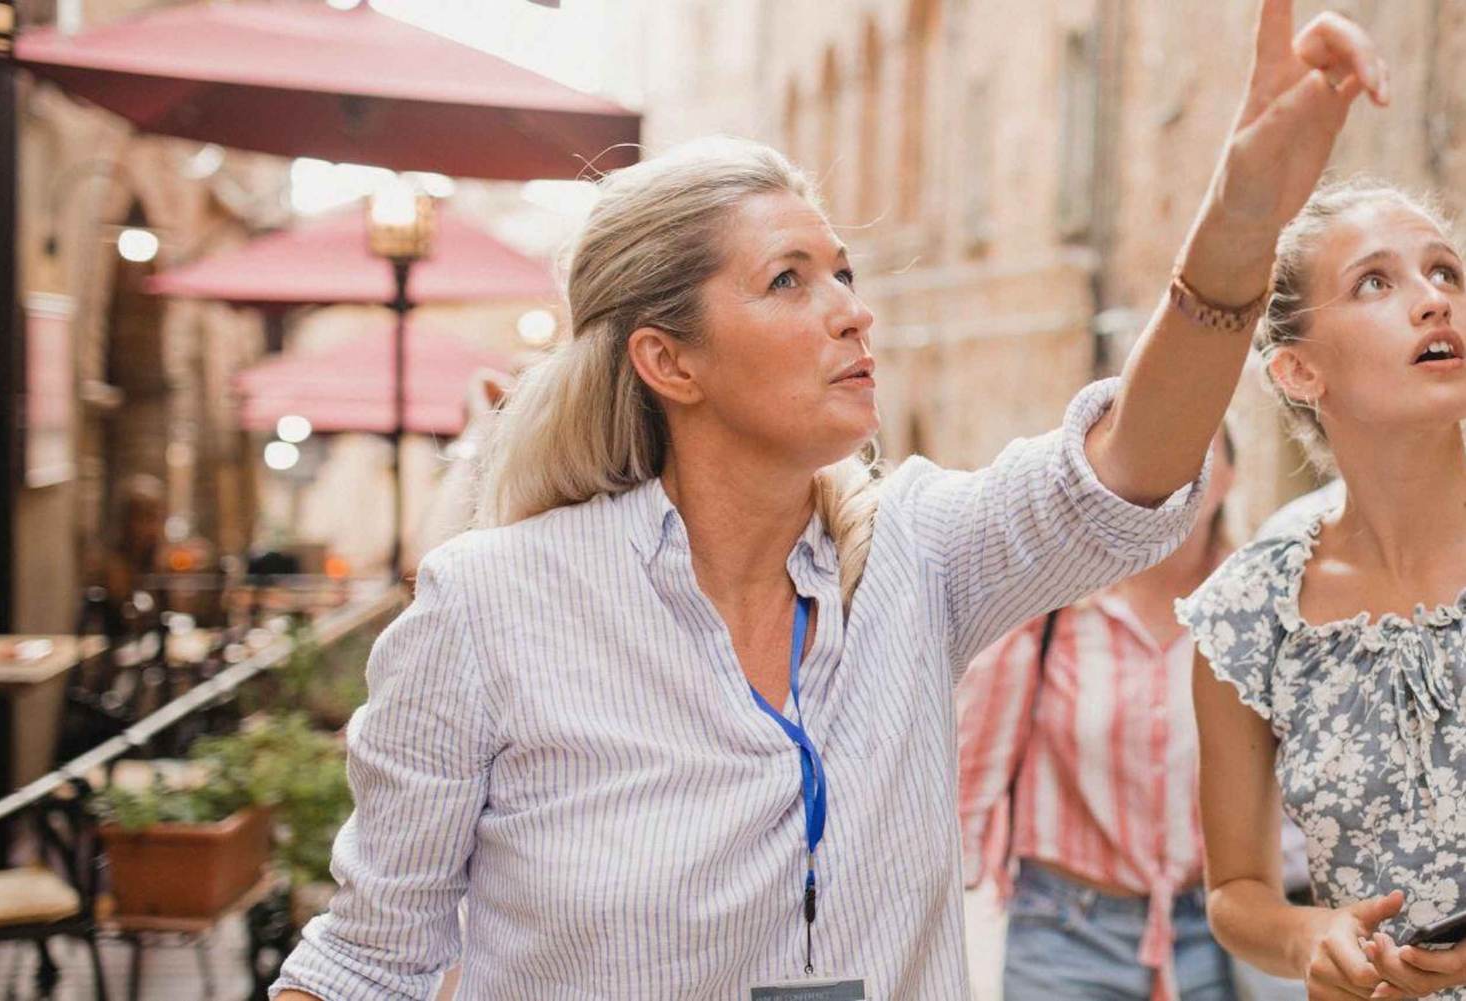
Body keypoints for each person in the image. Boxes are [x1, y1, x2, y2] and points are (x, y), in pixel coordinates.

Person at [272, 4, 1387, 995]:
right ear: (670, 362)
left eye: (843, 271)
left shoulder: (916, 555)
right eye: (788, 281)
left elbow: (1128, 470)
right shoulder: (494, 605)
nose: (851, 310)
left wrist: (1240, 223)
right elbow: (368, 961)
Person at [1178, 176, 1466, 1001]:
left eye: (1444, 272)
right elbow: (1235, 891)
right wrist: (1310, 933)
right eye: (1376, 281)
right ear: (1300, 370)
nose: (1432, 301)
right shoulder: (1249, 610)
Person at [956, 430, 1238, 1001]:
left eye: (1202, 449)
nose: (1180, 468)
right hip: (1064, 936)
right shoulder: (1050, 606)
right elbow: (970, 771)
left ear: (1230, 477)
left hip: (1213, 934)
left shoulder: (1252, 606)